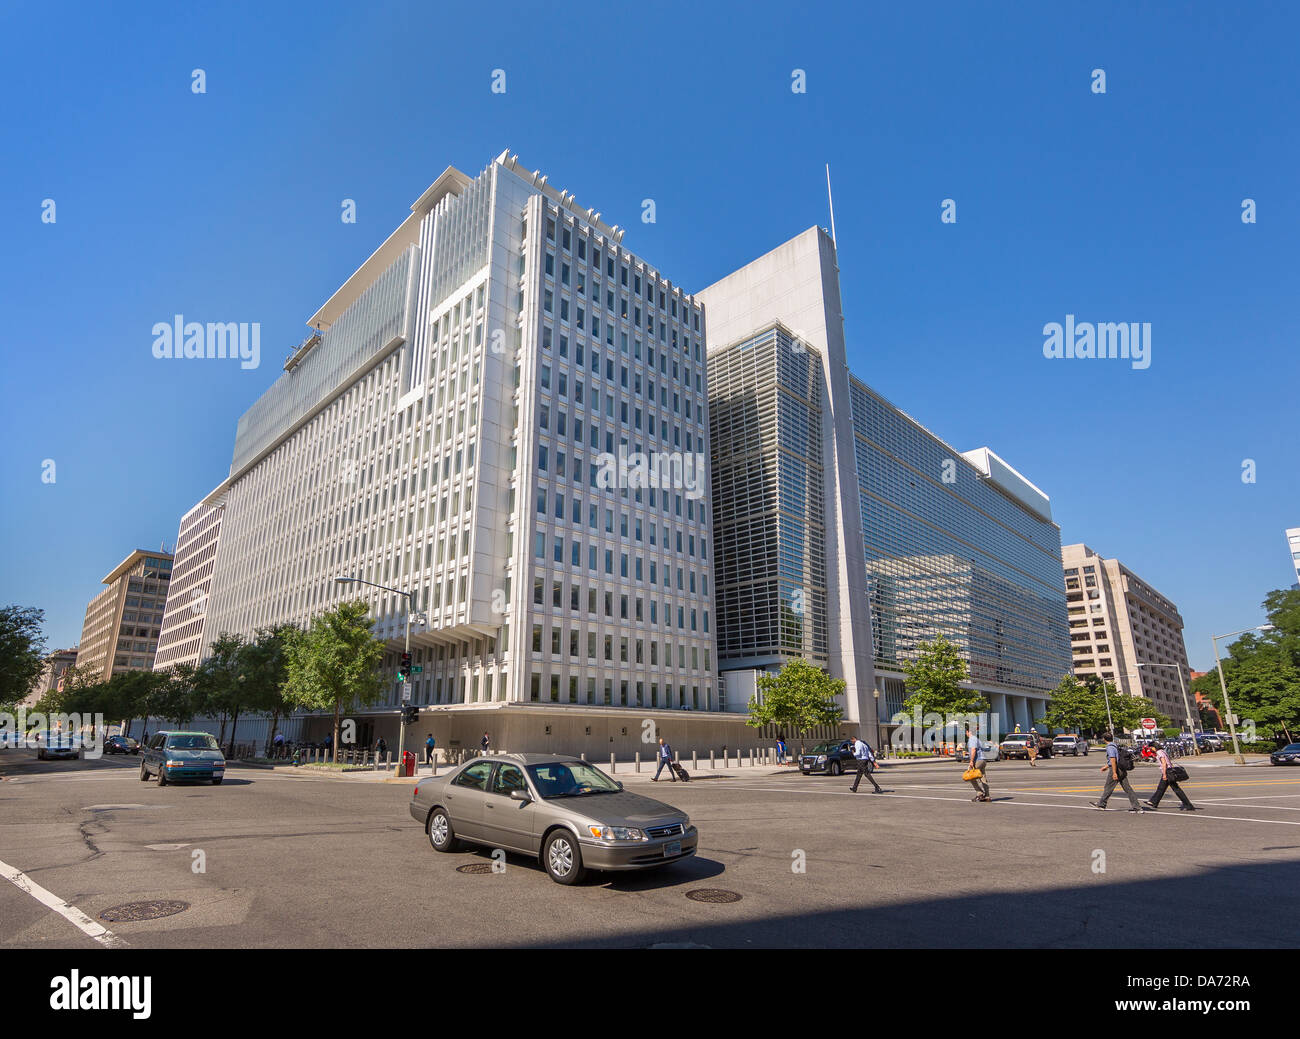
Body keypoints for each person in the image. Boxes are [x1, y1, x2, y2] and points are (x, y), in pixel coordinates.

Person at [1091, 732, 1147, 812]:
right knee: (1128, 789)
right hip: (1122, 769)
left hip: (1116, 769)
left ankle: (1101, 804)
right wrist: (1106, 766)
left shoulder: (1110, 747)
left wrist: (1114, 772)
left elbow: (1113, 759)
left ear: (1104, 739)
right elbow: (1116, 759)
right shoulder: (1115, 745)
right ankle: (1137, 807)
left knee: (1108, 787)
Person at [1145, 741, 1197, 811]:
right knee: (1161, 788)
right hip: (1169, 771)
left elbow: (1164, 764)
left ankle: (1188, 805)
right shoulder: (1162, 751)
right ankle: (1154, 802)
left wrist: (1164, 774)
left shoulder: (1159, 752)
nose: (1151, 749)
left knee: (1176, 789)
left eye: (1151, 748)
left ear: (1154, 747)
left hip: (1167, 772)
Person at [965, 726, 990, 802]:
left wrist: (971, 761)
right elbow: (983, 748)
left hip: (977, 761)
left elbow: (973, 750)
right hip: (983, 760)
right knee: (983, 778)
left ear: (969, 732)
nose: (966, 733)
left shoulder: (972, 739)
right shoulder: (977, 739)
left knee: (971, 777)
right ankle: (987, 796)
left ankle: (980, 794)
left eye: (966, 732)